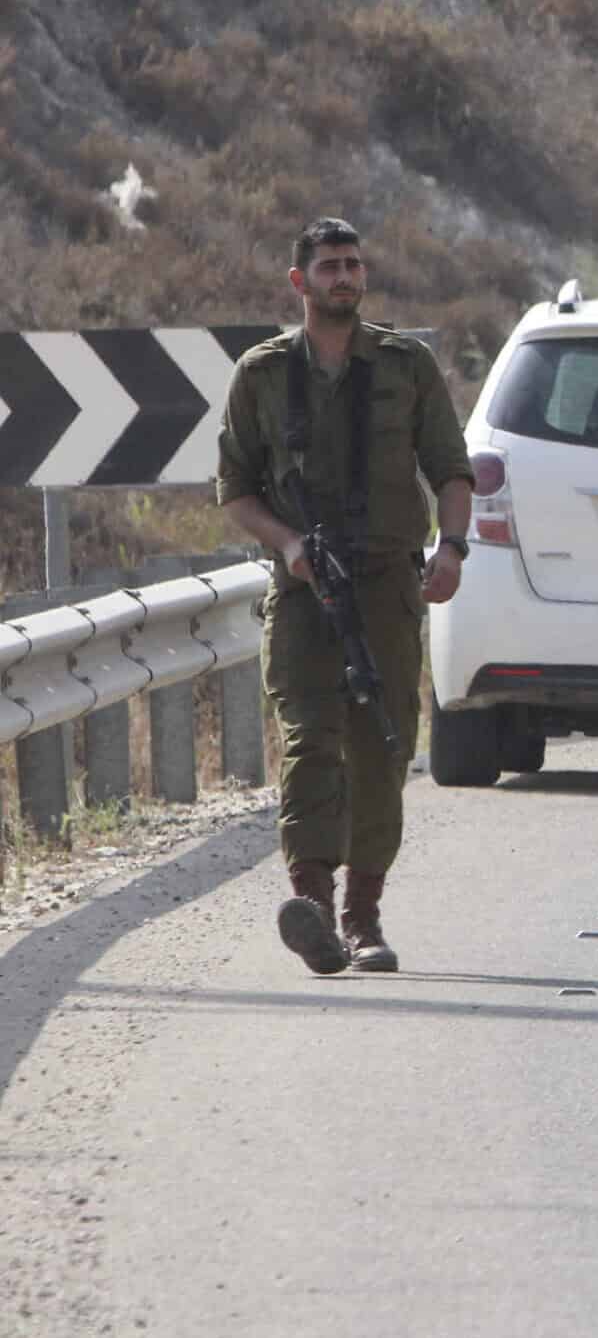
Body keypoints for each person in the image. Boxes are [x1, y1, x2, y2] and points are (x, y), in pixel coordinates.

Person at [215, 219, 474, 975]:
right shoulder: (262, 374)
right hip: (303, 590)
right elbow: (236, 490)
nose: (345, 278)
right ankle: (314, 906)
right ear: (300, 282)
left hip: (387, 583)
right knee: (310, 742)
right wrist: (289, 544)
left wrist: (452, 547)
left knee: (381, 747)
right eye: (329, 267)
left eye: (354, 265)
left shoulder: (406, 364)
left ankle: (364, 915)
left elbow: (451, 469)